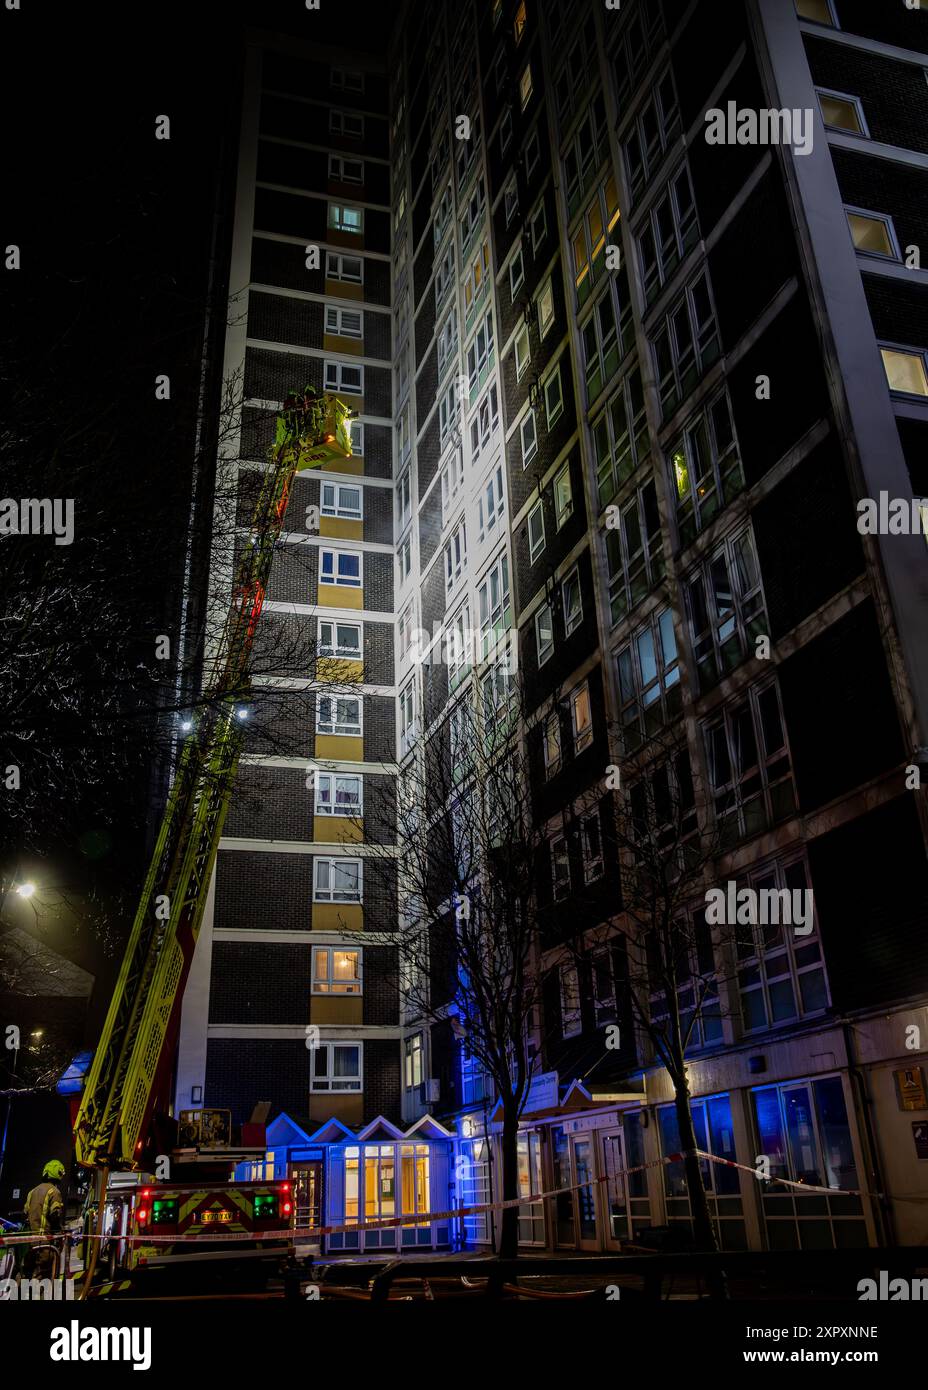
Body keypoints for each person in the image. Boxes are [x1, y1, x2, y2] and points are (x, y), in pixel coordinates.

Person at [23, 1160, 66, 1278]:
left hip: (30, 1242)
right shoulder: (54, 1192)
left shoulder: (32, 1191)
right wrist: (59, 1232)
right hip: (45, 1243)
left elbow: (26, 1212)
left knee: (27, 1275)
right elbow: (55, 1215)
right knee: (43, 1276)